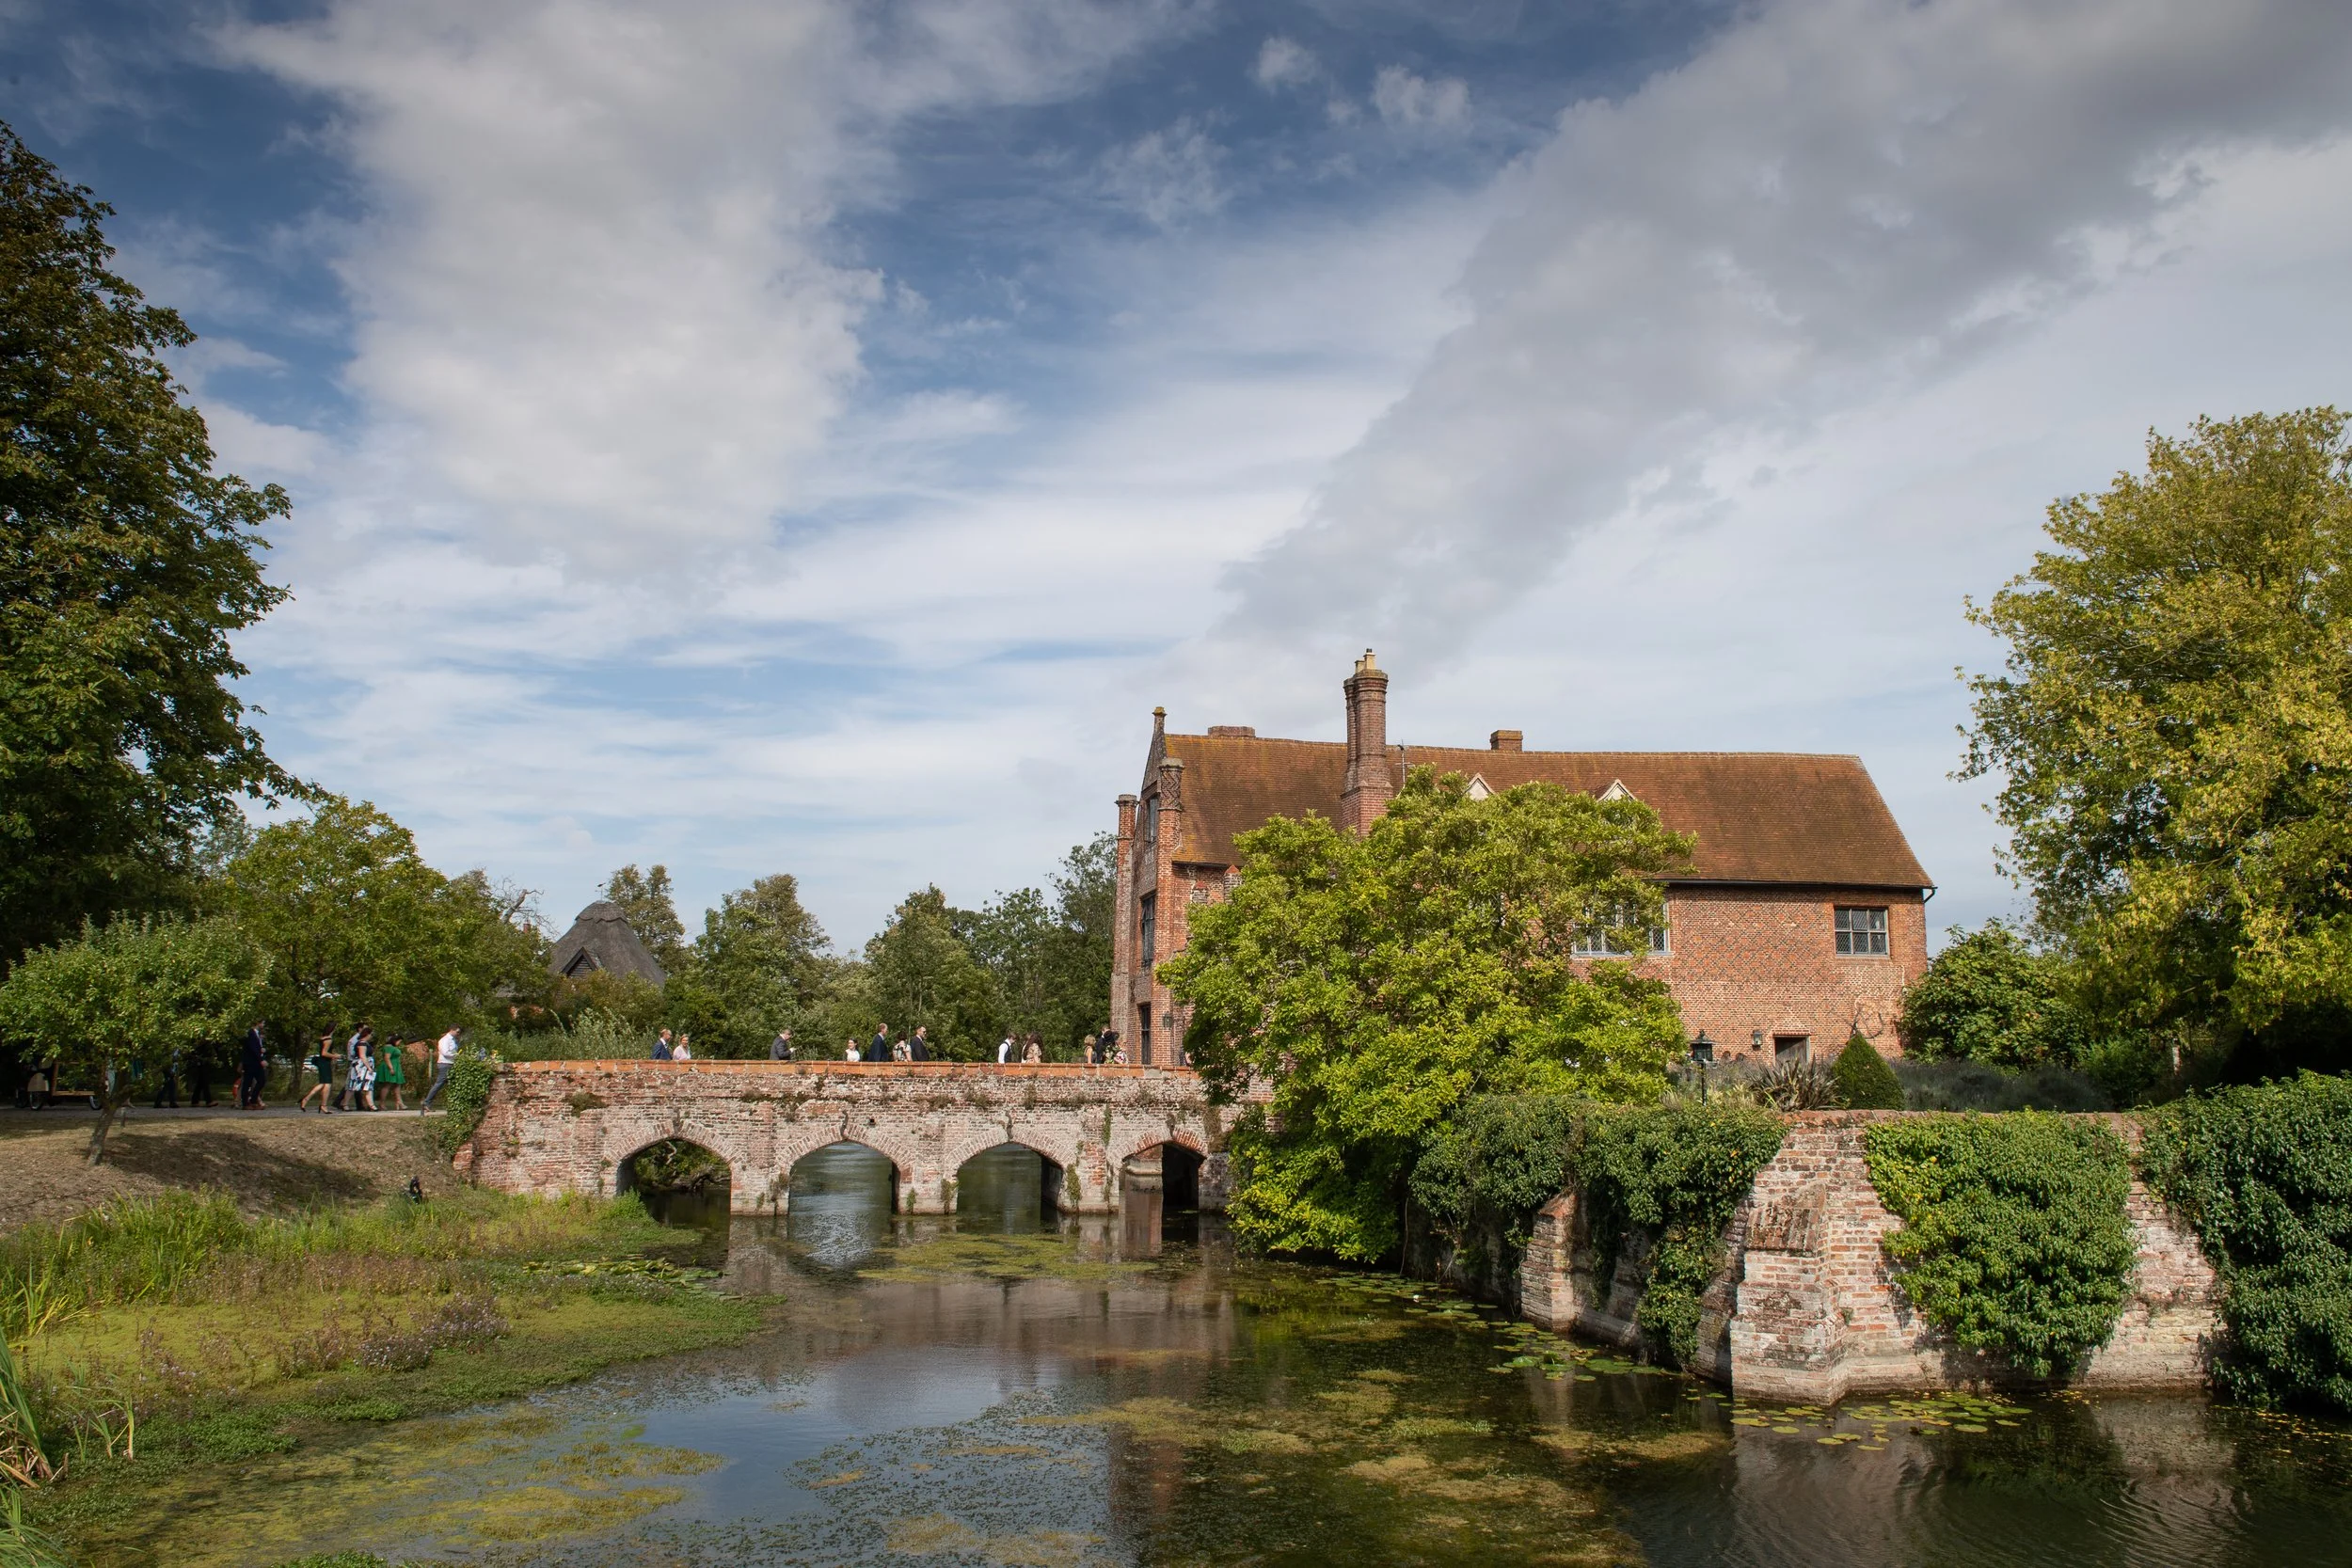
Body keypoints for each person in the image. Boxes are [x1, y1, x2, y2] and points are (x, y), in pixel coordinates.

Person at [421, 1027, 461, 1110]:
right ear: (452, 1030)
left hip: (451, 1064)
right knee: (439, 1084)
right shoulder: (444, 1040)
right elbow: (445, 1052)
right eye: (457, 1032)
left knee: (454, 1083)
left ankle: (454, 1104)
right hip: (445, 1064)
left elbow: (452, 1051)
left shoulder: (453, 1040)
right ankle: (427, 1102)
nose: (458, 1034)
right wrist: (456, 1055)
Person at [301, 1032, 339, 1114]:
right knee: (327, 1084)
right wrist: (335, 1056)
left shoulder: (323, 1038)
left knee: (322, 1084)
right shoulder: (328, 1039)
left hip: (322, 1062)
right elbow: (324, 1053)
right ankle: (323, 1105)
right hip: (325, 1063)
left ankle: (306, 1099)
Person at [240, 1022, 268, 1109]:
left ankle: (253, 1100)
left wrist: (261, 1050)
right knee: (247, 1083)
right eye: (262, 1023)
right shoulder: (250, 1033)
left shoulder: (256, 1034)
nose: (263, 1025)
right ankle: (245, 1104)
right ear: (257, 1023)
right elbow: (252, 1049)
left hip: (256, 1062)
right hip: (251, 1062)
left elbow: (256, 1048)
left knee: (261, 1080)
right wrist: (261, 1060)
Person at [379, 1036, 406, 1110]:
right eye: (399, 1041)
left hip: (396, 1066)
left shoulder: (393, 1047)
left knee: (397, 1085)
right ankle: (382, 1103)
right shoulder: (389, 1047)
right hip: (391, 1066)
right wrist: (391, 1068)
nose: (399, 1043)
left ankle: (399, 1102)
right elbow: (387, 1058)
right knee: (387, 1085)